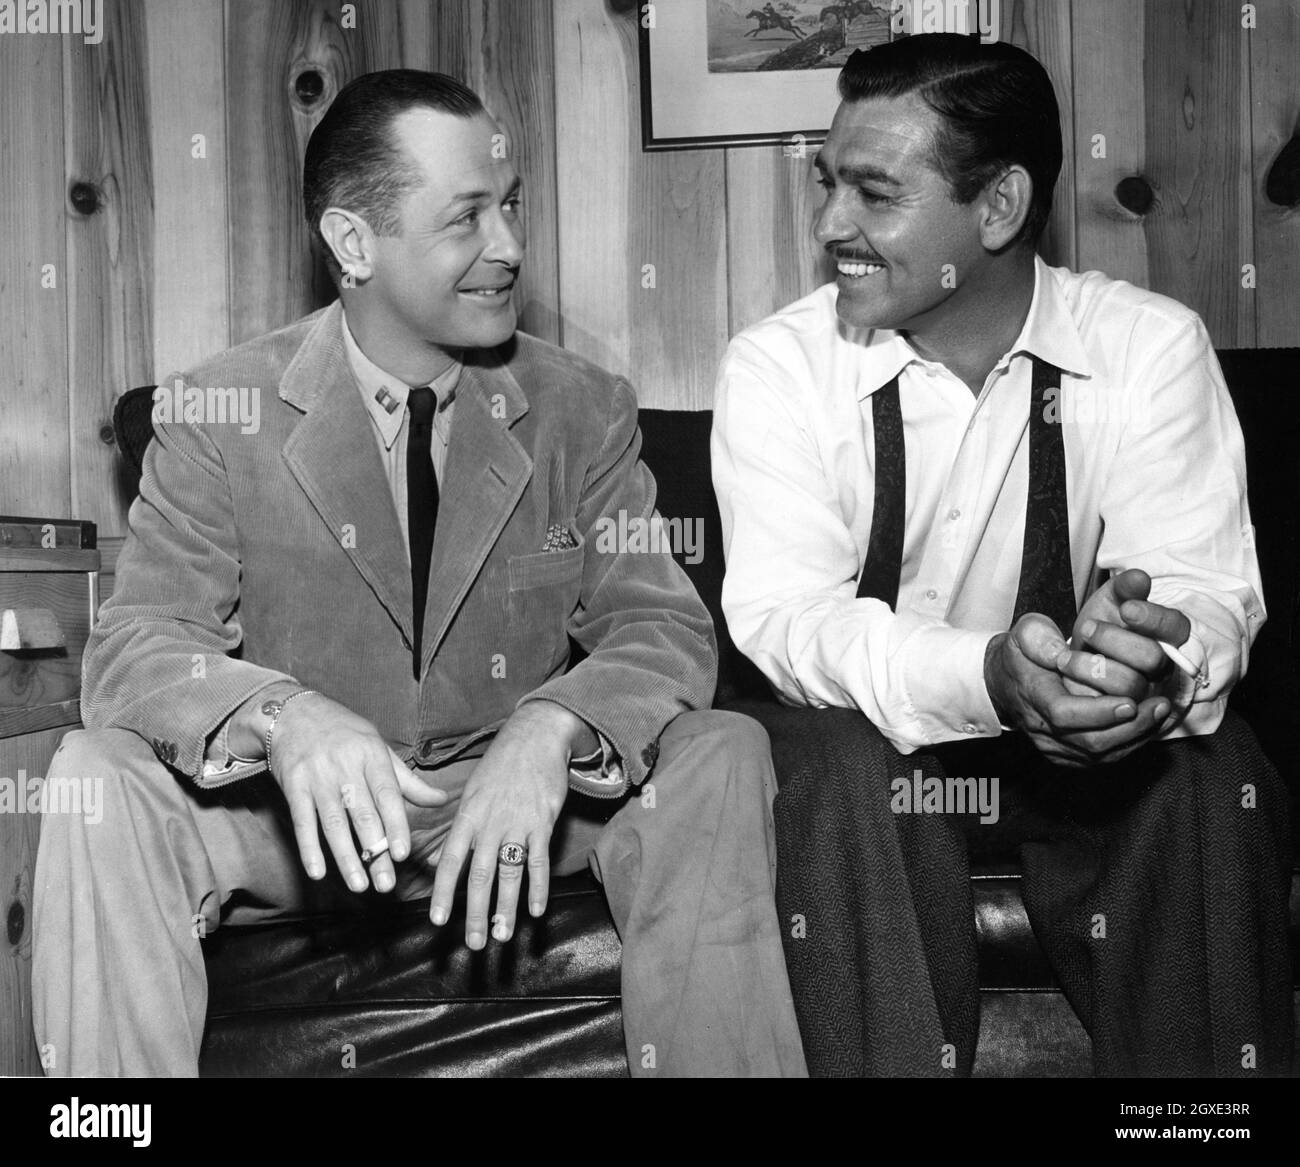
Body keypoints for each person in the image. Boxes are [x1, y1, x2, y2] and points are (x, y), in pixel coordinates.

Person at [33, 69, 806, 1078]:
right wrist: (282, 715)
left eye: (512, 207)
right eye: (468, 218)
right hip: (292, 817)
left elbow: (659, 631)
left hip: (520, 804)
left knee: (721, 750)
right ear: (353, 243)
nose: (510, 249)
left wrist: (551, 726)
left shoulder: (582, 407)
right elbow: (138, 651)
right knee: (97, 776)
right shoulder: (216, 411)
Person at [712, 33, 1292, 1076]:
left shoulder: (1148, 348)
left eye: (873, 193)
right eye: (826, 185)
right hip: (877, 769)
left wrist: (1147, 673)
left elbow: (1202, 590)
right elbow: (786, 623)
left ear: (998, 207)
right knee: (830, 762)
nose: (831, 225)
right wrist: (986, 677)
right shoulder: (777, 369)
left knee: (1211, 773)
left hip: (1081, 772)